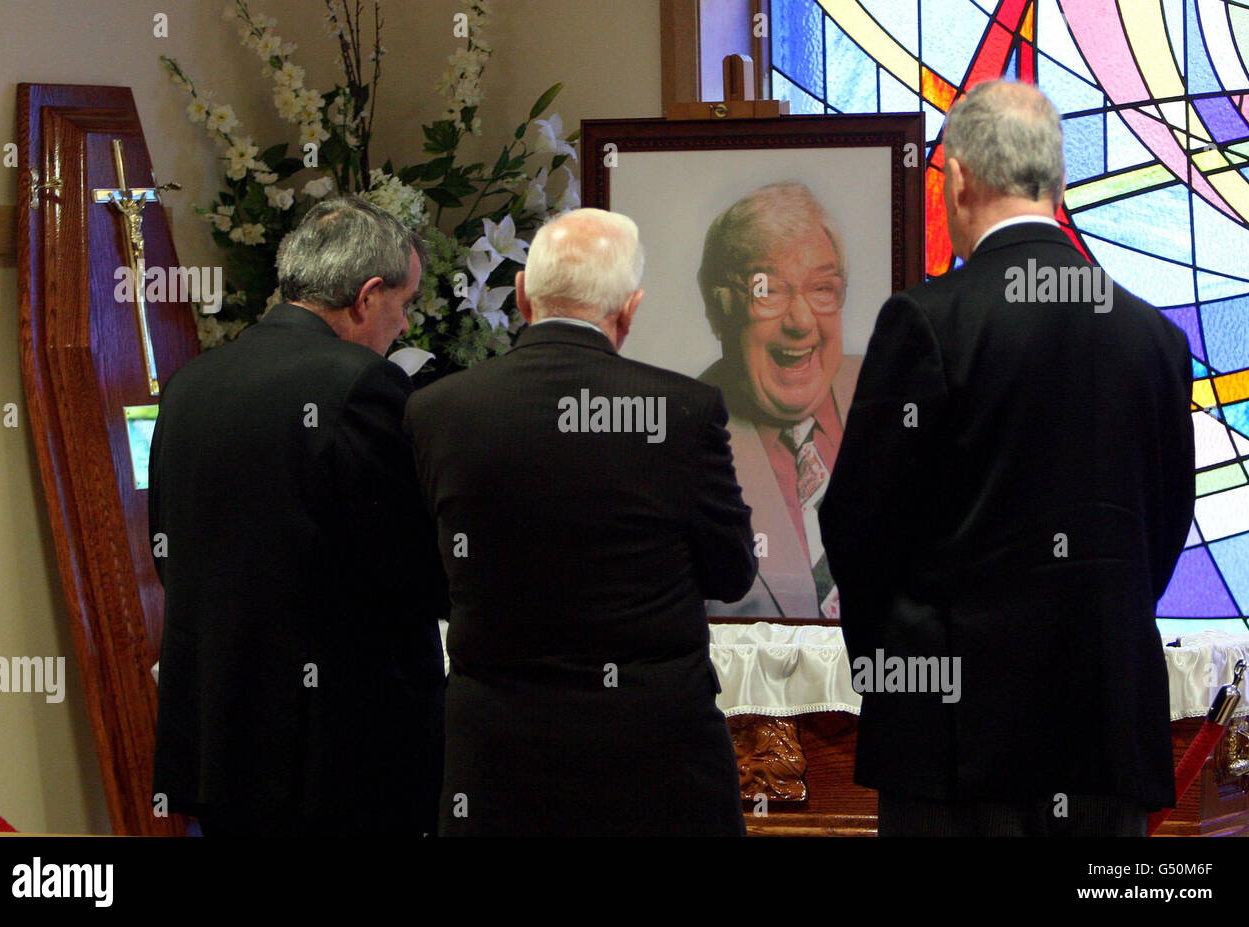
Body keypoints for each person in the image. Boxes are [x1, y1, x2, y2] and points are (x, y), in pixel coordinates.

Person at [819, 80, 1195, 836]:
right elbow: (1163, 525)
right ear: (1057, 182)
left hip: (954, 752)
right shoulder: (1154, 339)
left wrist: (898, 666)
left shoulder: (926, 325)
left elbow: (859, 526)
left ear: (957, 178)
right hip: (1103, 737)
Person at [405, 208, 756, 836]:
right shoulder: (682, 409)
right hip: (654, 751)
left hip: (497, 755)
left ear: (521, 296)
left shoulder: (437, 411)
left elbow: (425, 578)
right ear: (630, 308)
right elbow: (731, 571)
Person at [150, 197, 448, 837]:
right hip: (337, 750)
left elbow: (166, 552)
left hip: (220, 740)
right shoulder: (362, 382)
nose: (403, 325)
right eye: (405, 303)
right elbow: (406, 567)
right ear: (368, 296)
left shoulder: (189, 383)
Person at [696, 182, 861, 620]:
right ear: (720, 310)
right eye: (768, 290)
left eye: (822, 288)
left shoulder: (895, 393)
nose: (802, 321)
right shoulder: (682, 440)